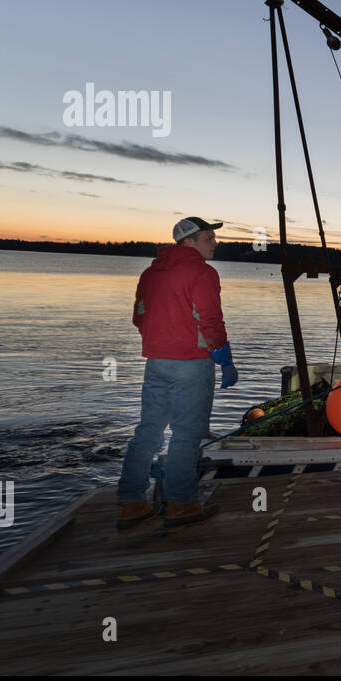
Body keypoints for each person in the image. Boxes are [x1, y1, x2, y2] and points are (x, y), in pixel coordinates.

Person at [116, 217, 237, 530]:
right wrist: (224, 359)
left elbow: (139, 316)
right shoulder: (202, 272)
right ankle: (181, 504)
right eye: (208, 238)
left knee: (149, 429)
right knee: (187, 433)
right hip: (192, 363)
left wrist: (161, 341)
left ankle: (132, 503)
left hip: (156, 362)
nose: (215, 242)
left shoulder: (151, 272)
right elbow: (211, 320)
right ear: (190, 242)